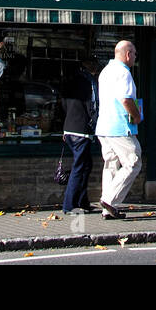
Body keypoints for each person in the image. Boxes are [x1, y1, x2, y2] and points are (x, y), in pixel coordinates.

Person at [95, 40, 141, 219]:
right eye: (134, 54)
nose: (135, 58)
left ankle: (108, 210)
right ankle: (109, 199)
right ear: (128, 54)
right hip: (120, 126)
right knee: (134, 160)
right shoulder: (123, 73)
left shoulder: (105, 72)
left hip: (103, 126)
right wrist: (136, 116)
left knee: (111, 165)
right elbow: (126, 99)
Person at [59, 56, 100, 215]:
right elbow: (93, 105)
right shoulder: (89, 82)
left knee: (86, 165)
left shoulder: (70, 81)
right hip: (81, 130)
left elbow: (63, 103)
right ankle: (69, 205)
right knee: (79, 167)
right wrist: (95, 123)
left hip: (69, 129)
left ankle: (82, 201)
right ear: (92, 68)